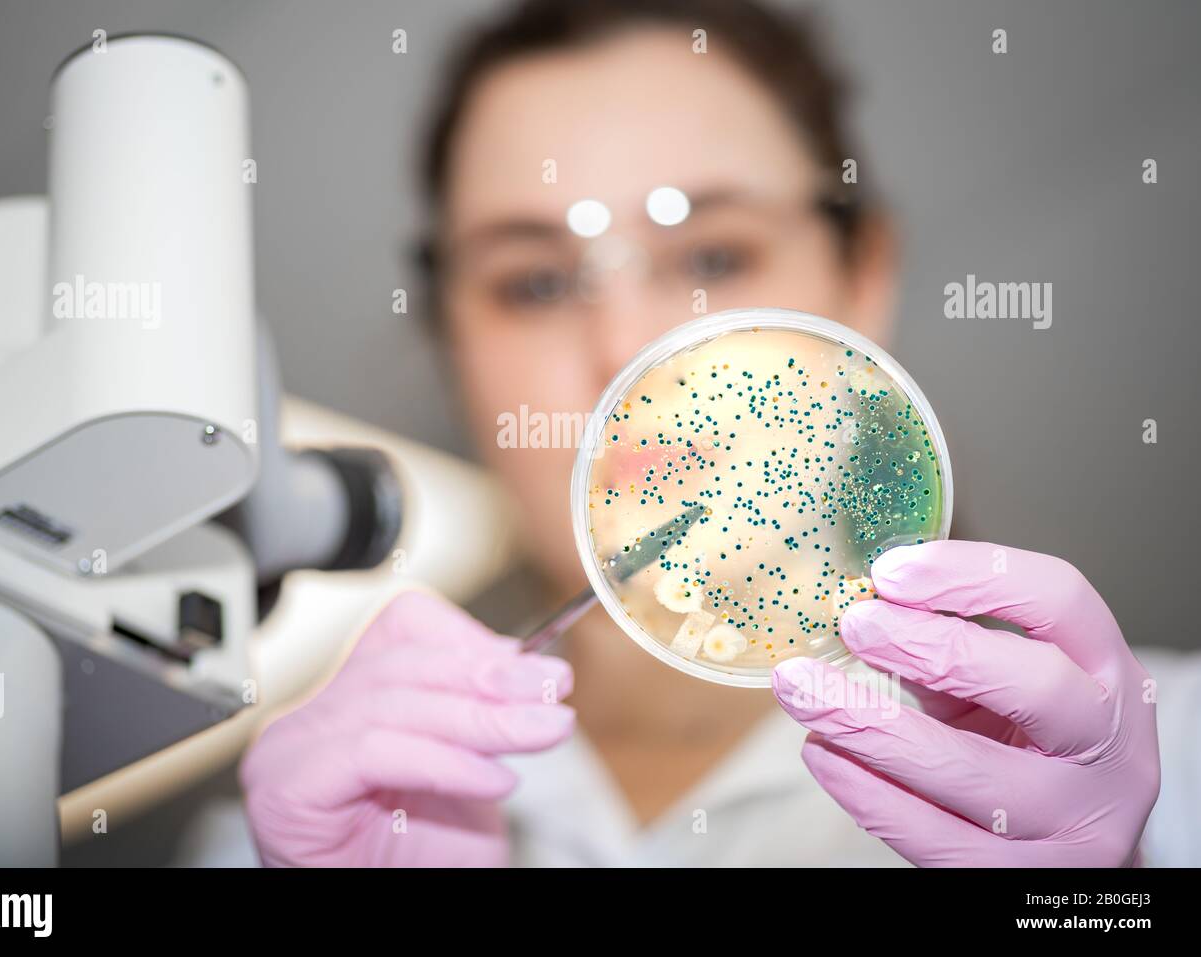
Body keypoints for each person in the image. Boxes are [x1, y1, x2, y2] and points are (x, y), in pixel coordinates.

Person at [238, 0, 1168, 867]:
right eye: (536, 282)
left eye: (712, 256)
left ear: (865, 279)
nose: (627, 345)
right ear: (448, 342)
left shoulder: (1174, 754)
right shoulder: (301, 821)